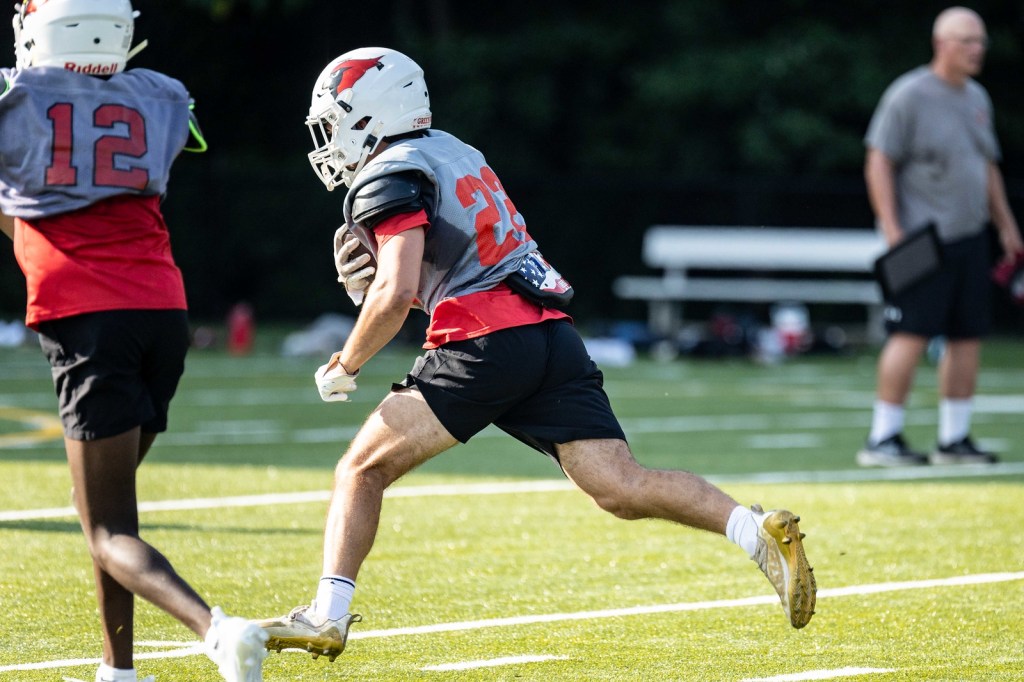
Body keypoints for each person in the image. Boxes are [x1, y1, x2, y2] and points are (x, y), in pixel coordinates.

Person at [256, 46, 817, 662]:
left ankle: (327, 616)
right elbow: (456, 270)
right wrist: (395, 293)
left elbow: (394, 293)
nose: (332, 138)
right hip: (550, 335)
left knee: (361, 469)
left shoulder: (390, 173)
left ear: (370, 112)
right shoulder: (454, 151)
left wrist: (347, 361)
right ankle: (753, 532)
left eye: (337, 119)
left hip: (485, 340)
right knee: (620, 486)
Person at [0, 1, 268, 680]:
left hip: (86, 316)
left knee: (106, 527)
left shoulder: (17, 96)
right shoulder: (162, 95)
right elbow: (172, 141)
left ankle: (218, 630)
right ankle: (117, 671)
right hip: (162, 313)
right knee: (111, 511)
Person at [858, 6, 1024, 467]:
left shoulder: (977, 98)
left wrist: (1006, 224)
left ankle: (955, 439)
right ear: (941, 43)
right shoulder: (909, 95)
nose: (978, 51)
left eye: (981, 42)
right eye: (968, 41)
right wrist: (893, 229)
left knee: (967, 337)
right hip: (923, 239)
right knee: (909, 333)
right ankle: (883, 437)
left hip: (971, 236)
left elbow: (986, 165)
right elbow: (879, 160)